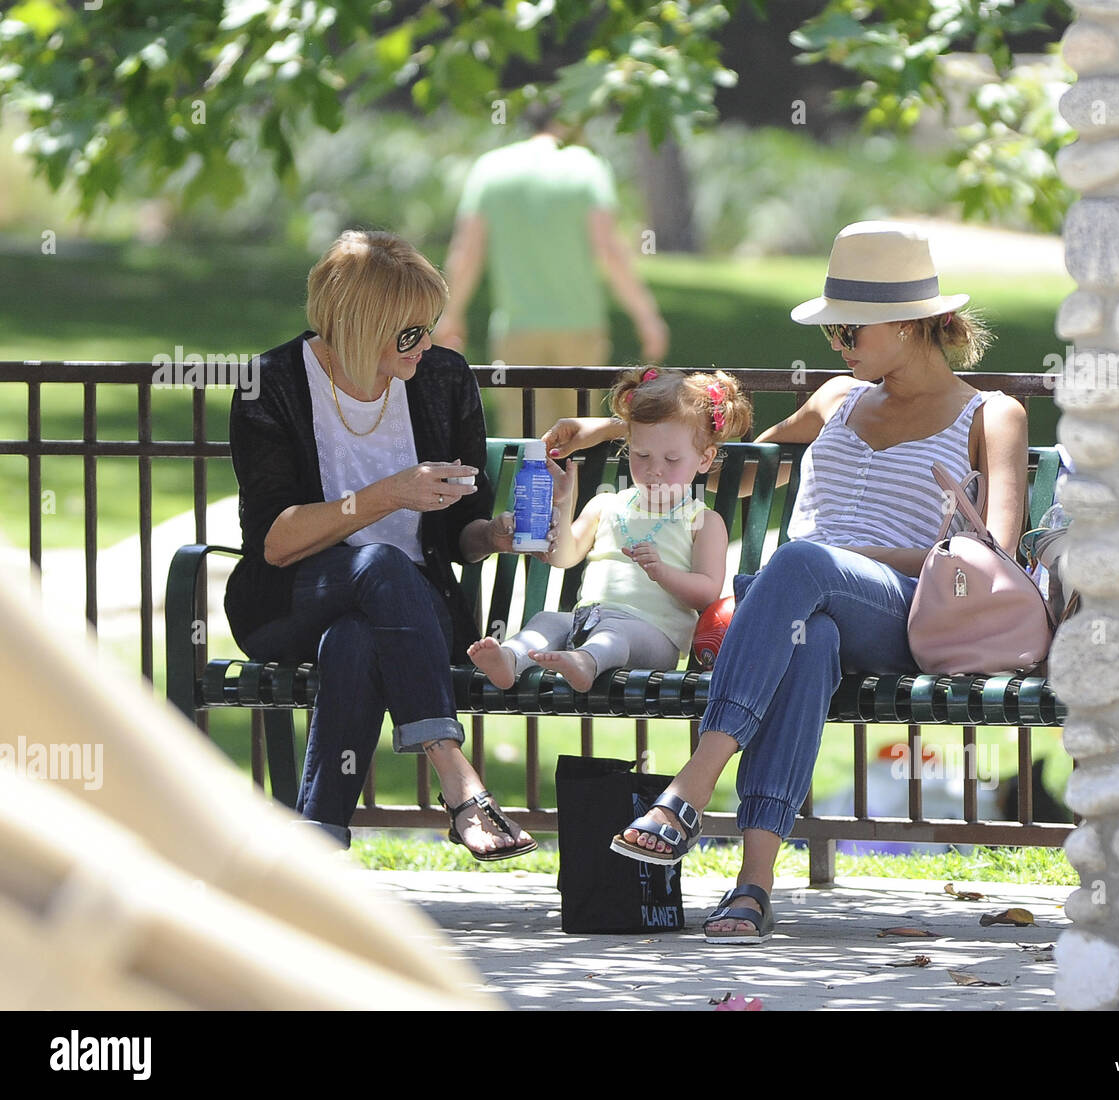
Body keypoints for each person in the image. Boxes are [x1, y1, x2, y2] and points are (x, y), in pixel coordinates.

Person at [544, 222, 1028, 943]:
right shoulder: (837, 399)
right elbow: (713, 456)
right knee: (810, 629)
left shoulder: (990, 414)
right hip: (805, 609)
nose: (839, 346)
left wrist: (845, 559)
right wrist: (609, 432)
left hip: (907, 611)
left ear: (906, 323)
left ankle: (691, 786)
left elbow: (995, 549)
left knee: (801, 565)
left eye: (848, 330)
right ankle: (753, 887)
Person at [225, 229, 540, 860]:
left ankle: (317, 852)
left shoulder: (442, 379)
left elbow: (461, 532)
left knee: (356, 638)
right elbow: (276, 543)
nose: (427, 345)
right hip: (291, 598)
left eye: (430, 327)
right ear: (361, 324)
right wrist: (387, 494)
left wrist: (494, 534)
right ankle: (456, 775)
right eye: (409, 333)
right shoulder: (271, 383)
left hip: (414, 615)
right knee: (376, 564)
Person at [468, 367, 752, 693]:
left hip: (653, 638)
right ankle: (510, 659)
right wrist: (564, 503)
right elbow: (564, 556)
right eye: (642, 454)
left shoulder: (702, 520)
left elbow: (706, 593)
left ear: (704, 459)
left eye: (672, 459)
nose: (655, 468)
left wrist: (661, 571)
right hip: (588, 620)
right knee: (546, 620)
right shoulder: (607, 504)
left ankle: (586, 663)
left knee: (614, 635)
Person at [438, 102, 670, 436]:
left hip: (516, 329)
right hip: (581, 328)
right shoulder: (586, 165)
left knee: (522, 442)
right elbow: (610, 250)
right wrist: (646, 317)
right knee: (578, 440)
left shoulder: (490, 168)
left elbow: (467, 251)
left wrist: (451, 313)